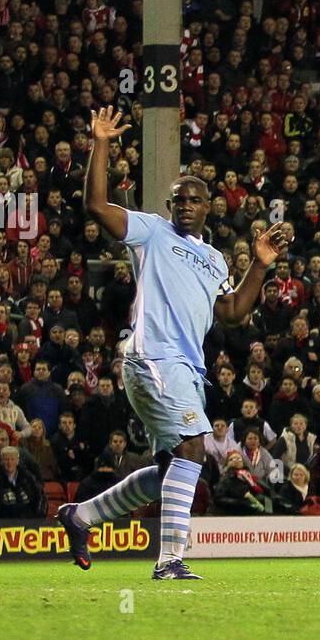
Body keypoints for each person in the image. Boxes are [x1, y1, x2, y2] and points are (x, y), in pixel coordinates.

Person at [57, 107, 289, 579]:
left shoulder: (214, 259)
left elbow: (232, 313)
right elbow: (97, 207)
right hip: (153, 358)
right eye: (177, 199)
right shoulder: (152, 233)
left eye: (194, 200)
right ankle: (170, 561)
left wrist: (260, 265)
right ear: (170, 206)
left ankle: (80, 517)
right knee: (194, 448)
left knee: (172, 468)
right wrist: (100, 142)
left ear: (208, 207)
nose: (184, 205)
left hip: (187, 368)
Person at [0, 446, 44, 518]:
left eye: (12, 459)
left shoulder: (28, 477)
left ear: (17, 461)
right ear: (1, 461)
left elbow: (41, 496)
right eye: (6, 459)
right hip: (3, 523)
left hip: (29, 522)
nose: (9, 463)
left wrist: (40, 517)